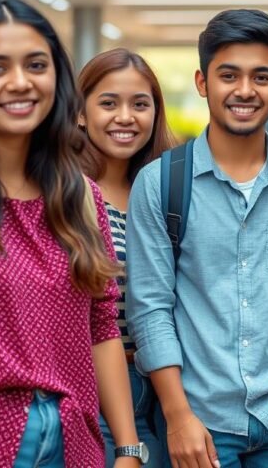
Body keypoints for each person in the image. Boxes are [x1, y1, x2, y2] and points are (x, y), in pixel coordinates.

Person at [0, 0, 142, 467]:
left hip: (77, 449)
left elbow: (101, 328)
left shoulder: (80, 196)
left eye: (36, 65)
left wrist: (128, 449)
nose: (20, 82)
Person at [126, 9, 268, 468]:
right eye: (229, 75)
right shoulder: (160, 183)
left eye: (261, 77)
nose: (245, 91)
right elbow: (149, 307)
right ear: (202, 82)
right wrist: (177, 417)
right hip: (197, 418)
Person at [78, 47, 177, 466]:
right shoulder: (66, 193)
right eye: (108, 103)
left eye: (140, 104)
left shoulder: (169, 187)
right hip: (95, 389)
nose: (125, 117)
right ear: (80, 113)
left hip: (173, 387)